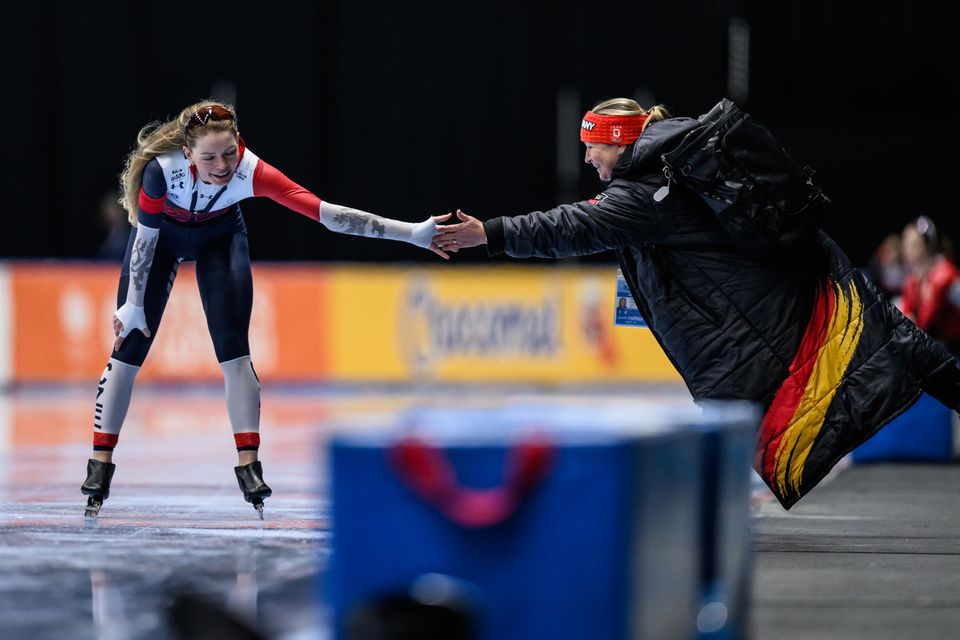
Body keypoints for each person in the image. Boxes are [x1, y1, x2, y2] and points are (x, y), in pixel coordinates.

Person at [433, 97, 960, 509]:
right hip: (796, 283)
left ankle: (698, 527)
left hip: (754, 325)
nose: (588, 158)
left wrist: (491, 233)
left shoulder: (642, 195)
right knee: (900, 343)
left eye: (592, 146)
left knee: (736, 411)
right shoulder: (683, 162)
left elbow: (569, 227)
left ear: (617, 142)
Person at [81, 100, 449, 518]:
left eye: (229, 154)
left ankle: (248, 466)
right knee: (129, 345)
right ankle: (100, 466)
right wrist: (132, 305)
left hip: (220, 238)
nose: (222, 167)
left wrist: (413, 235)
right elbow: (145, 242)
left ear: (240, 143)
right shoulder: (160, 171)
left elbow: (328, 216)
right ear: (187, 154)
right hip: (161, 240)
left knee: (235, 349)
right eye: (209, 158)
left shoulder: (252, 170)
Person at [899, 215, 960, 355]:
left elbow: (925, 323)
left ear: (928, 246)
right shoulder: (912, 280)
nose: (907, 249)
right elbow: (906, 316)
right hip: (937, 352)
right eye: (905, 242)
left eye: (913, 243)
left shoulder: (946, 275)